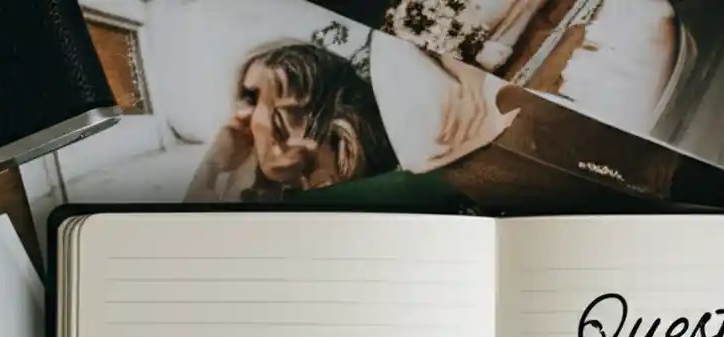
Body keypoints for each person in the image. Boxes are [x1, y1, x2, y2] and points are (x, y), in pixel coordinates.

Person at [184, 37, 516, 202]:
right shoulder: (267, 190)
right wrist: (213, 165)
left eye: (285, 103)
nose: (255, 120)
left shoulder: (395, 165)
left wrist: (465, 74)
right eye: (250, 99)